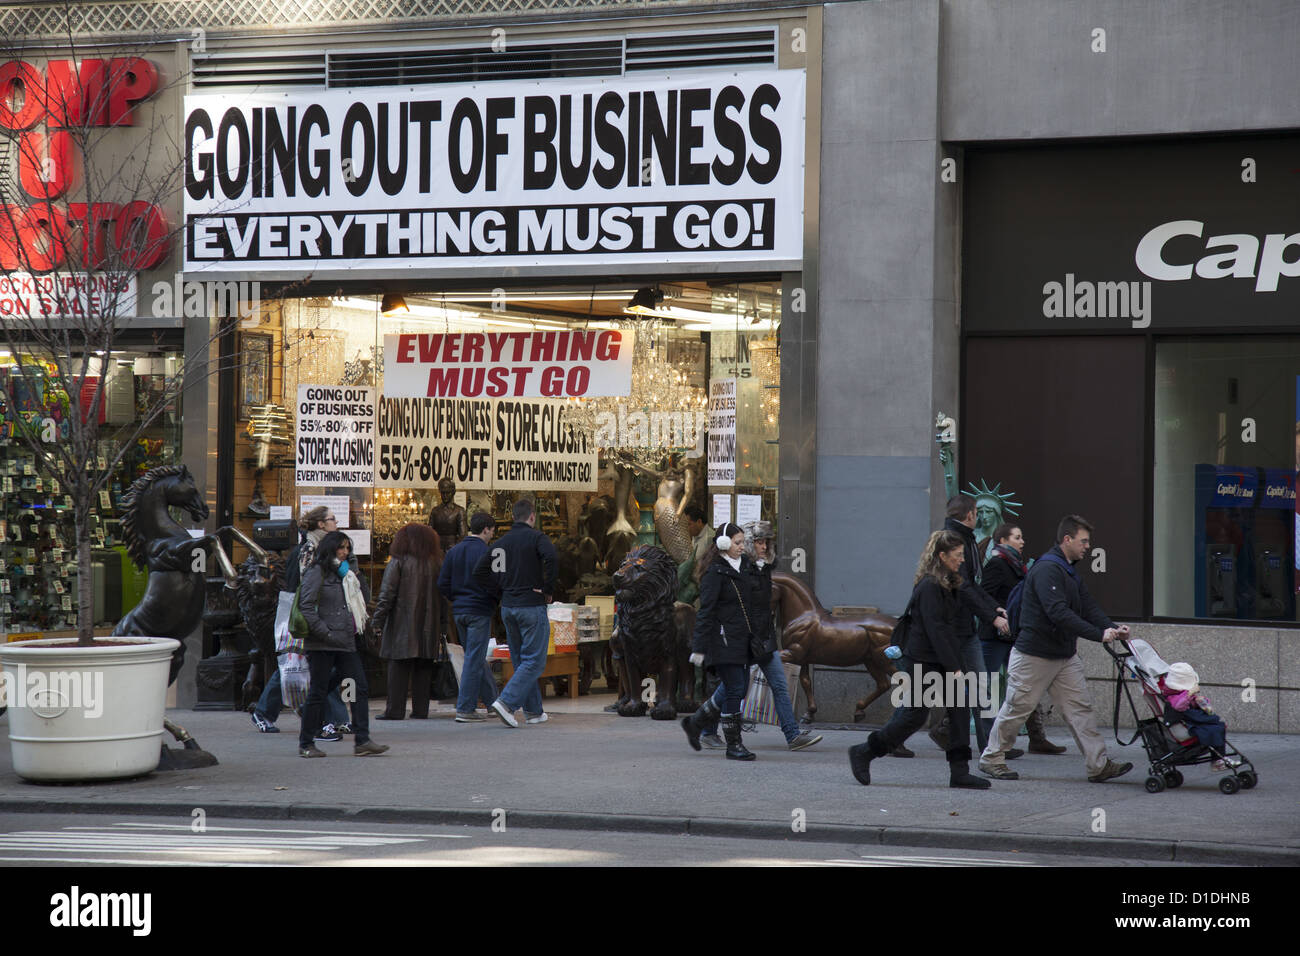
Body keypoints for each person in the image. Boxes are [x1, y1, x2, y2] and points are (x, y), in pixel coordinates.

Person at [978, 515, 1132, 783]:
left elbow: (1087, 605)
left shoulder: (1068, 569)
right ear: (1067, 539)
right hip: (1033, 655)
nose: (1088, 546)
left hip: (1063, 654)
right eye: (1084, 541)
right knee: (1017, 708)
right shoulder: (1048, 569)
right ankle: (992, 758)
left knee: (1079, 708)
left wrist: (1113, 628)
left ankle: (1098, 764)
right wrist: (1099, 634)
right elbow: (1057, 612)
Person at [847, 530, 992, 789]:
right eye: (957, 556)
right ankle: (864, 752)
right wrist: (956, 667)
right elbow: (937, 630)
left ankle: (959, 772)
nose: (961, 560)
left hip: (939, 659)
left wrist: (993, 613)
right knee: (914, 716)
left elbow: (953, 623)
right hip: (923, 661)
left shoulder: (950, 581)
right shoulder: (930, 586)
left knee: (959, 711)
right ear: (942, 556)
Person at [694, 521, 822, 752]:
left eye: (767, 542)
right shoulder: (741, 570)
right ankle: (704, 728)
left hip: (762, 637)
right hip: (747, 639)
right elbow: (734, 608)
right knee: (733, 688)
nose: (764, 546)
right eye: (759, 542)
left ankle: (792, 736)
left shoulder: (762, 568)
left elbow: (763, 607)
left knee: (777, 685)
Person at [928, 495, 1015, 759]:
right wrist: (992, 617)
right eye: (977, 512)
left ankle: (990, 747)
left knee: (979, 689)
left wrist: (993, 608)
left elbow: (973, 585)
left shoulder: (966, 537)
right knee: (920, 697)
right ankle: (883, 741)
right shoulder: (955, 540)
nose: (978, 517)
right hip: (952, 630)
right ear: (970, 514)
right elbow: (963, 587)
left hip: (964, 629)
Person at [251, 505, 350, 737]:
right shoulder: (309, 549)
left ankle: (335, 718)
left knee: (316, 664)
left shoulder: (321, 547)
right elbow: (308, 587)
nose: (336, 523)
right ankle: (264, 712)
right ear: (321, 524)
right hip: (303, 615)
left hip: (313, 614)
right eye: (332, 519)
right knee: (293, 665)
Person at [297, 530, 389, 757]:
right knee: (318, 691)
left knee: (359, 687)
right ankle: (306, 743)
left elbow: (364, 599)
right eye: (341, 548)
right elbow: (306, 607)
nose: (345, 552)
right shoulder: (317, 572)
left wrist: (356, 571)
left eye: (348, 548)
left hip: (347, 640)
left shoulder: (347, 574)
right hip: (322, 643)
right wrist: (325, 633)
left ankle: (362, 740)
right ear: (330, 548)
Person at [680, 523, 766, 761]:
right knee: (736, 689)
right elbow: (705, 611)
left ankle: (695, 723)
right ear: (723, 544)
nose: (741, 547)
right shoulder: (714, 573)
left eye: (742, 542)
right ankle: (734, 745)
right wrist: (698, 648)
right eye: (737, 543)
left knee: (733, 688)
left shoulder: (746, 567)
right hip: (722, 640)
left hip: (743, 639)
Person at [979, 522, 1066, 755]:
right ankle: (947, 727)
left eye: (1021, 537)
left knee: (1026, 684)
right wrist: (997, 612)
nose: (1022, 541)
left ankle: (1037, 738)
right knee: (981, 683)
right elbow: (982, 595)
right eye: (1017, 537)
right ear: (1003, 541)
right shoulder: (997, 564)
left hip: (1014, 634)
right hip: (995, 635)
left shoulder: (1016, 565)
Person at [474, 497, 558, 728]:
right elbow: (551, 557)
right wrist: (548, 590)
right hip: (531, 605)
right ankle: (506, 702)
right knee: (534, 661)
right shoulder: (537, 538)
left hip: (508, 607)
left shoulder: (500, 543)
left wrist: (500, 590)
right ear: (532, 516)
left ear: (513, 517)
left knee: (522, 661)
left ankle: (534, 711)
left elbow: (479, 571)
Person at [372, 523, 444, 720]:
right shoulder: (436, 562)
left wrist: (377, 620)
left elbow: (387, 594)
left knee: (398, 667)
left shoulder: (398, 561)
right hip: (429, 626)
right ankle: (421, 710)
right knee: (423, 667)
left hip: (401, 624)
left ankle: (395, 710)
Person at [439, 511, 500, 722]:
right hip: (479, 611)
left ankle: (495, 703)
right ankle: (465, 708)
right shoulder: (489, 553)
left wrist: (456, 598)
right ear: (485, 529)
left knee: (475, 655)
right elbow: (496, 583)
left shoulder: (454, 552)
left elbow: (442, 583)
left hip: (459, 611)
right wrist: (492, 601)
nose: (492, 535)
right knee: (474, 658)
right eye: (492, 531)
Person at [1159, 663, 1232, 770]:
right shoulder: (1172, 695)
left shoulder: (1181, 692)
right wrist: (1189, 694)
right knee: (1215, 729)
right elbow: (1179, 706)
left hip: (1194, 719)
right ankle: (1218, 759)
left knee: (1218, 726)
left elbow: (1192, 704)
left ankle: (1219, 758)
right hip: (1188, 723)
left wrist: (1200, 701)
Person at [675, 504, 711, 605]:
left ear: (699, 522)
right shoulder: (694, 536)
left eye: (689, 524)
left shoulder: (709, 538)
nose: (686, 528)